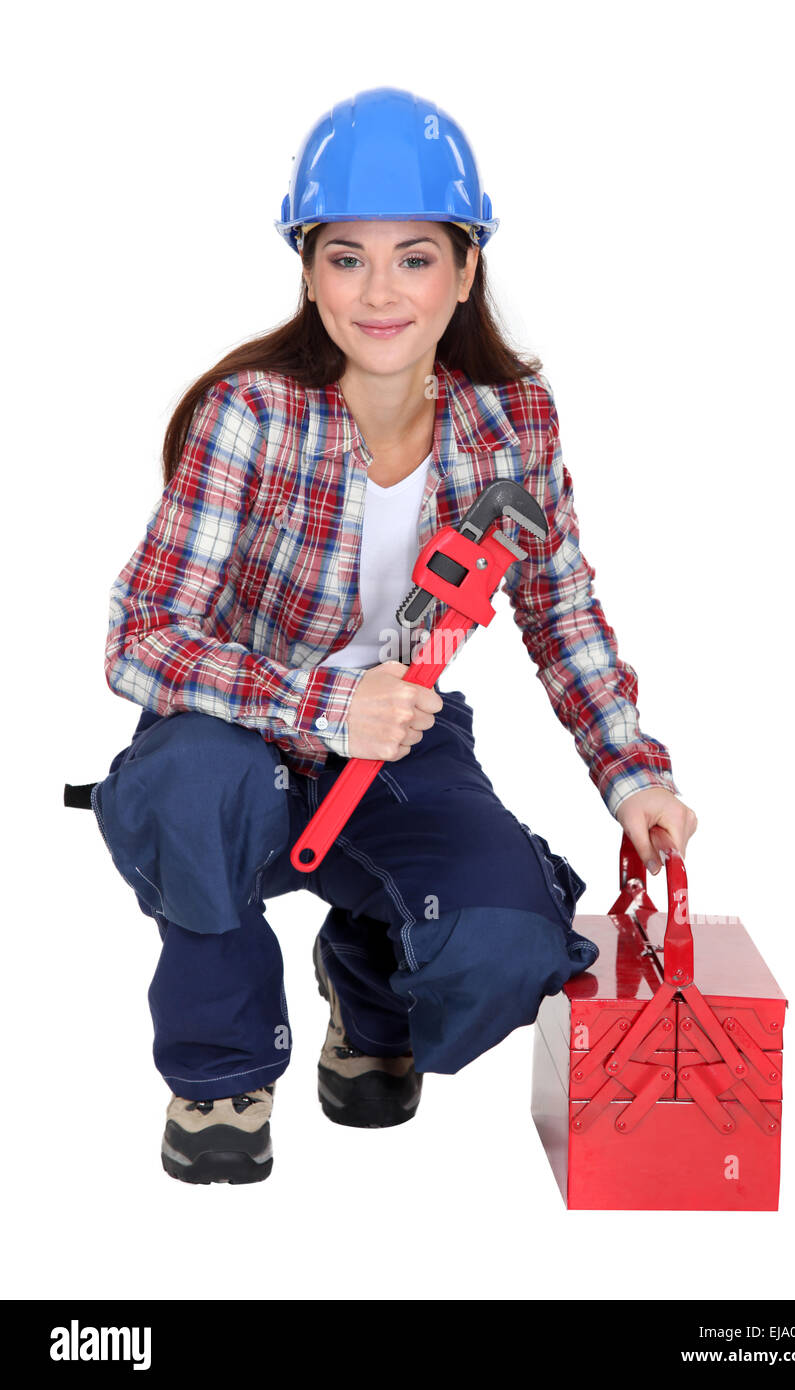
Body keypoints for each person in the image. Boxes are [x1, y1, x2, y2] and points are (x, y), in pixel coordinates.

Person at [88, 86, 698, 1186]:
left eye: (414, 258)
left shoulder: (512, 422)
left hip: (399, 746)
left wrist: (631, 777)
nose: (379, 292)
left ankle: (366, 976)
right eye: (344, 257)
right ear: (308, 267)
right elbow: (142, 637)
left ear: (464, 270)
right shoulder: (254, 414)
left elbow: (558, 610)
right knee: (196, 788)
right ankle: (222, 1071)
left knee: (511, 942)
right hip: (229, 746)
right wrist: (322, 706)